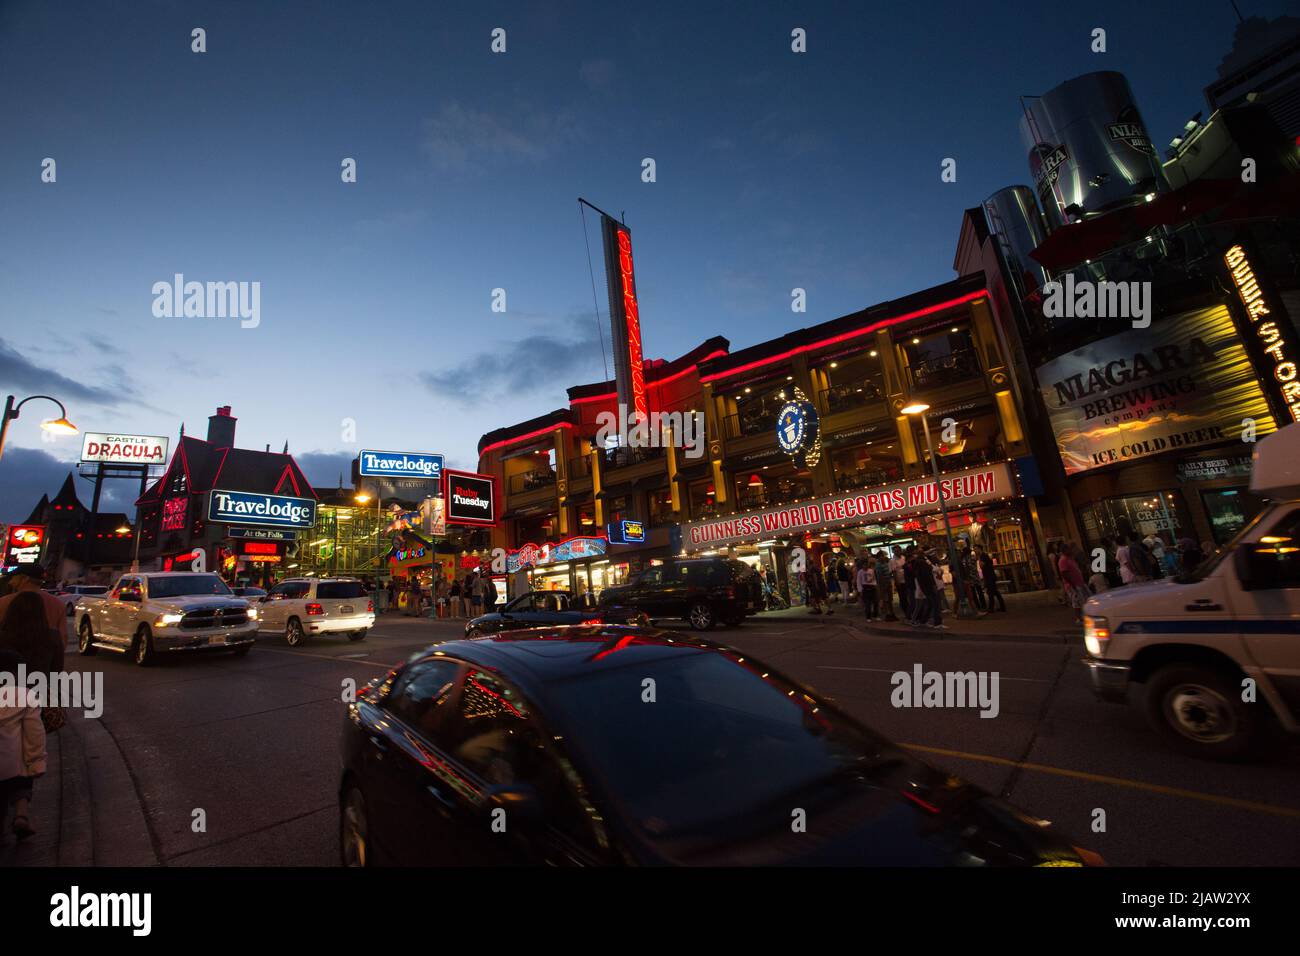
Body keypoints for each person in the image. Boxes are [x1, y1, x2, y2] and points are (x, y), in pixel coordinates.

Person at [0, 597, 51, 843]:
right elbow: (35, 733)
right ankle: (21, 813)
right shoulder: (24, 695)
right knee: (23, 764)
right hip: (13, 760)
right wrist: (37, 762)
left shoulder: (5, 634)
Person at [0, 566, 66, 674]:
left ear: (25, 579)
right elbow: (62, 641)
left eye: (13, 578)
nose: (11, 582)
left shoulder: (4, 602)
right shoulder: (58, 605)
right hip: (41, 671)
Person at [1057, 547, 1087, 623]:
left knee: (1081, 600)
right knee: (1076, 601)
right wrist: (1072, 584)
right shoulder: (1063, 560)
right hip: (1072, 585)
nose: (1070, 550)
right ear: (1064, 551)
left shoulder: (1070, 558)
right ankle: (1079, 618)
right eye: (1068, 549)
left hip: (1078, 583)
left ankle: (1083, 616)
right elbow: (1064, 573)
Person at [976, 547, 1006, 611]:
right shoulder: (984, 555)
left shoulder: (983, 556)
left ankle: (991, 608)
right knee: (994, 591)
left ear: (979, 549)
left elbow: (981, 566)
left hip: (989, 576)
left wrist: (979, 559)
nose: (975, 551)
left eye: (976, 549)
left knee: (991, 592)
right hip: (989, 576)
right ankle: (1000, 606)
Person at [891, 547, 910, 618]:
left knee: (908, 596)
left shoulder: (903, 557)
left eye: (899, 550)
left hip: (907, 579)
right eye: (896, 551)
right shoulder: (893, 560)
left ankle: (910, 610)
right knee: (903, 597)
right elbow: (894, 572)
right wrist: (897, 581)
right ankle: (906, 612)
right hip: (900, 581)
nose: (898, 552)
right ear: (894, 552)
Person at [855, 558, 877, 622]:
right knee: (867, 603)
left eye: (866, 564)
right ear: (862, 565)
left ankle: (875, 615)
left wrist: (875, 585)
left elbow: (874, 578)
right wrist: (860, 590)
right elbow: (858, 581)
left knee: (875, 602)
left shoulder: (871, 570)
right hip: (865, 587)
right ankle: (868, 617)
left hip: (872, 587)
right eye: (864, 564)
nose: (866, 566)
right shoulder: (860, 572)